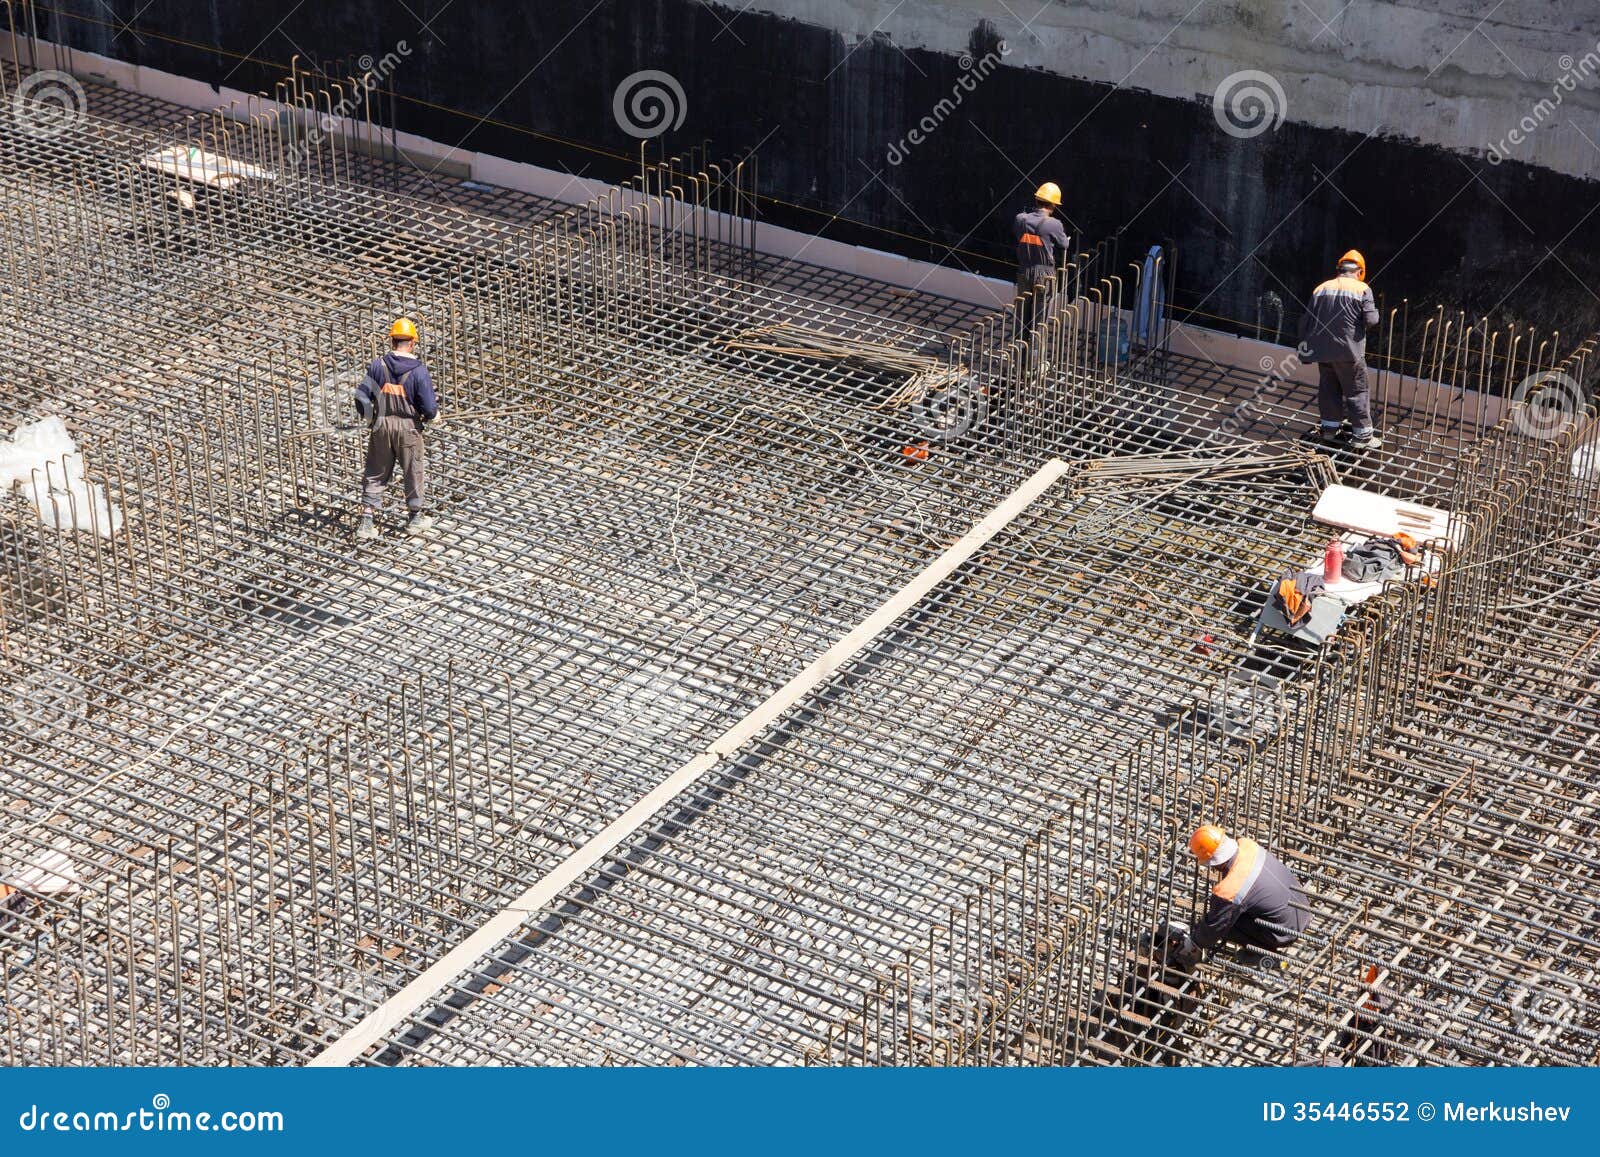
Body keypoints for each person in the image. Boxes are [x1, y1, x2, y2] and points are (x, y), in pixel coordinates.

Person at [1166, 824, 1311, 969]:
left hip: (1285, 932)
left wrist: (1193, 943)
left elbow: (1215, 927)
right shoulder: (1248, 845)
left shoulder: (1230, 889)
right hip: (1303, 909)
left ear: (1213, 862)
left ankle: (1267, 956)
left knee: (1225, 924)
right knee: (1232, 910)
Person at [353, 317, 438, 541]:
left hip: (380, 426)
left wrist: (370, 418)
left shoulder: (377, 365)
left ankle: (367, 521)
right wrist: (433, 416)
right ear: (412, 343)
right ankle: (414, 517)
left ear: (393, 341)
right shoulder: (419, 371)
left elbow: (361, 396)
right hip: (408, 428)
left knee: (375, 470)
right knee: (413, 470)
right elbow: (428, 407)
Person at [1298, 249, 1382, 450]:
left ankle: (1329, 429)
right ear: (1360, 271)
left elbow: (1306, 321)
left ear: (1339, 269)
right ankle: (1362, 436)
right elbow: (1371, 320)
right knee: (1357, 390)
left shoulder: (1321, 288)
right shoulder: (1362, 288)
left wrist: (1305, 350)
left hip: (1323, 351)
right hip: (1349, 352)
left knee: (1329, 388)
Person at [1012, 182, 1071, 302]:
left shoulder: (1020, 219)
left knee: (1022, 312)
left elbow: (1019, 236)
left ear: (1037, 200)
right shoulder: (1054, 224)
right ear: (1053, 204)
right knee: (1040, 314)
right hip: (1044, 275)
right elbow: (1065, 244)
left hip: (1024, 270)